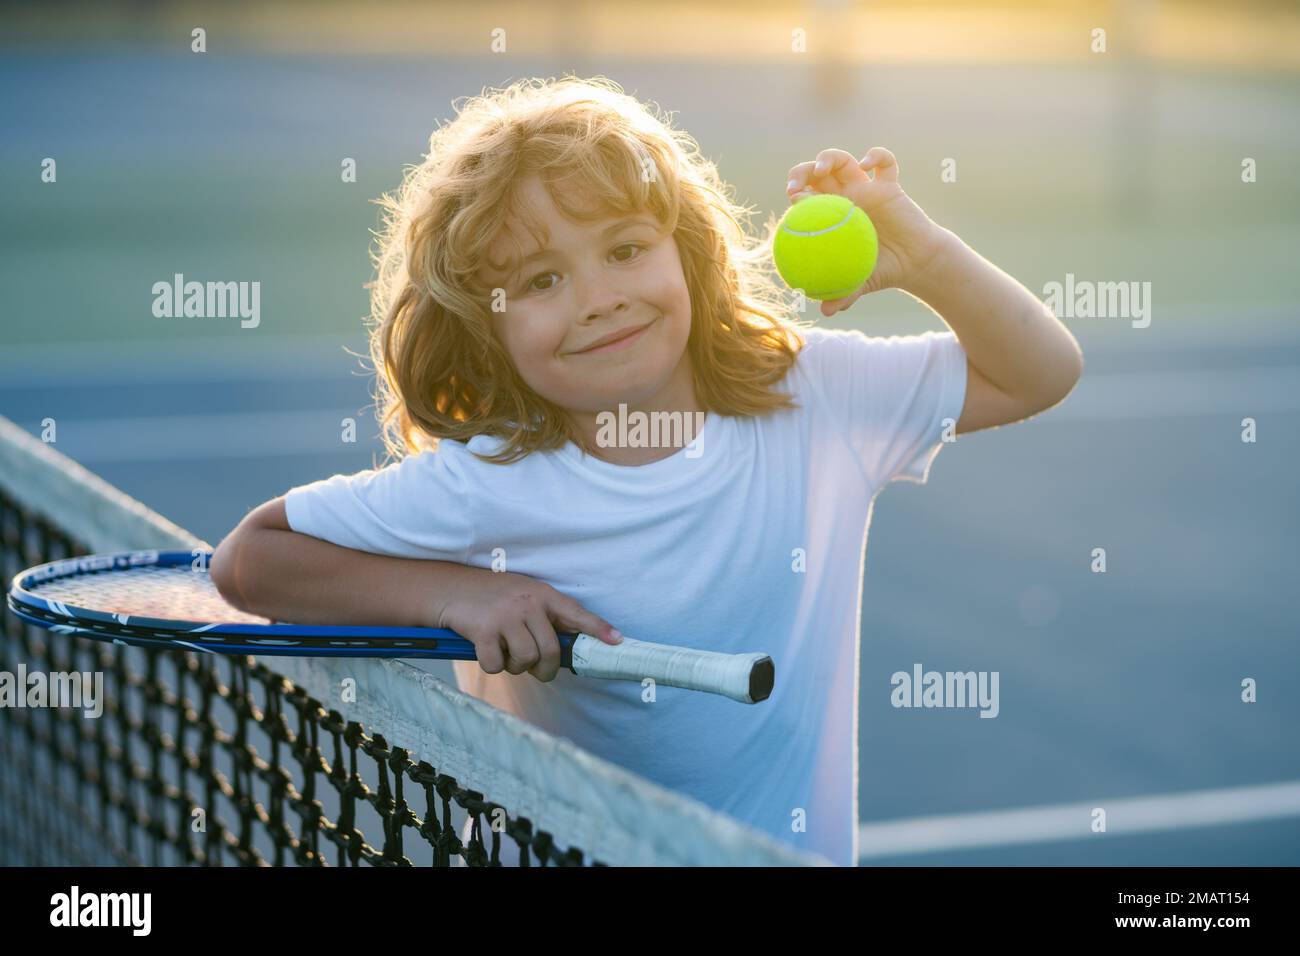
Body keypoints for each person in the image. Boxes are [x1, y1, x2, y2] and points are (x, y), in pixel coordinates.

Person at [210, 75, 1082, 866]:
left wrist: (924, 255)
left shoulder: (815, 396)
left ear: (688, 253)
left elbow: (1038, 370)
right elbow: (250, 560)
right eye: (543, 279)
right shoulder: (492, 477)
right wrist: (458, 597)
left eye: (626, 249)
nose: (599, 297)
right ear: (489, 328)